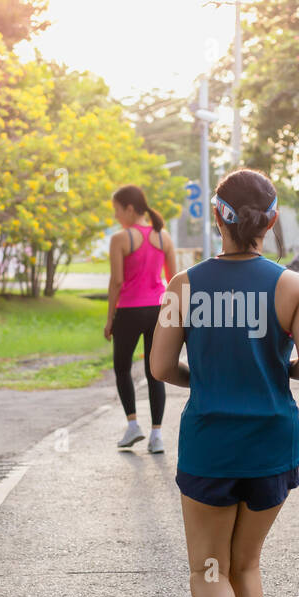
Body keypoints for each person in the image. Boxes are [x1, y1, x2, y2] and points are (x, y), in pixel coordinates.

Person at [150, 168, 299, 597]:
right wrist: (276, 369)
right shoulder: (294, 287)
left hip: (209, 444)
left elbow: (158, 367)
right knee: (246, 564)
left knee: (207, 565)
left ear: (216, 217)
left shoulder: (183, 285)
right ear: (271, 221)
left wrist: (202, 379)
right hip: (271, 441)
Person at [105, 184, 176, 453]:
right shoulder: (164, 237)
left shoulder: (121, 238)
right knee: (154, 371)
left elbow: (117, 281)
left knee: (122, 368)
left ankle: (133, 425)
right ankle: (157, 435)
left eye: (117, 210)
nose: (116, 216)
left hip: (129, 310)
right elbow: (172, 280)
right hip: (157, 309)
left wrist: (110, 318)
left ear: (130, 208)